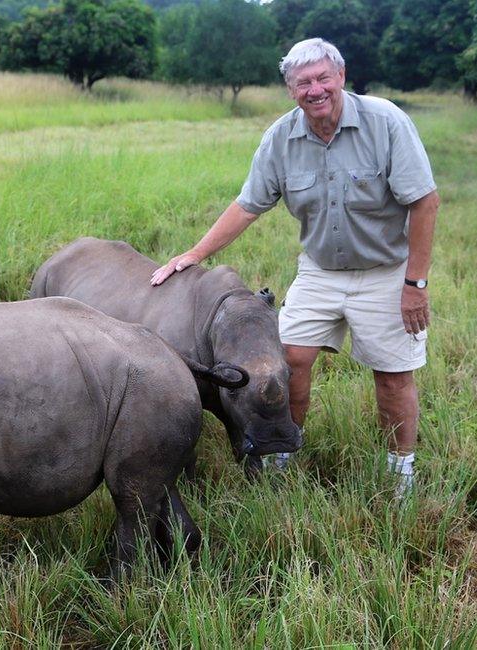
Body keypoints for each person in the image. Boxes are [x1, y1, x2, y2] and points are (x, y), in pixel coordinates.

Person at [150, 38, 439, 498]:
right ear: (291, 90)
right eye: (303, 82)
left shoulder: (385, 122)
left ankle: (399, 471)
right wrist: (194, 255)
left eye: (323, 77)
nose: (315, 89)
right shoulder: (281, 138)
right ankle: (284, 449)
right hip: (320, 271)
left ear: (341, 76)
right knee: (288, 363)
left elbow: (425, 202)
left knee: (392, 375)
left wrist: (414, 284)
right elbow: (248, 205)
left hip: (386, 271)